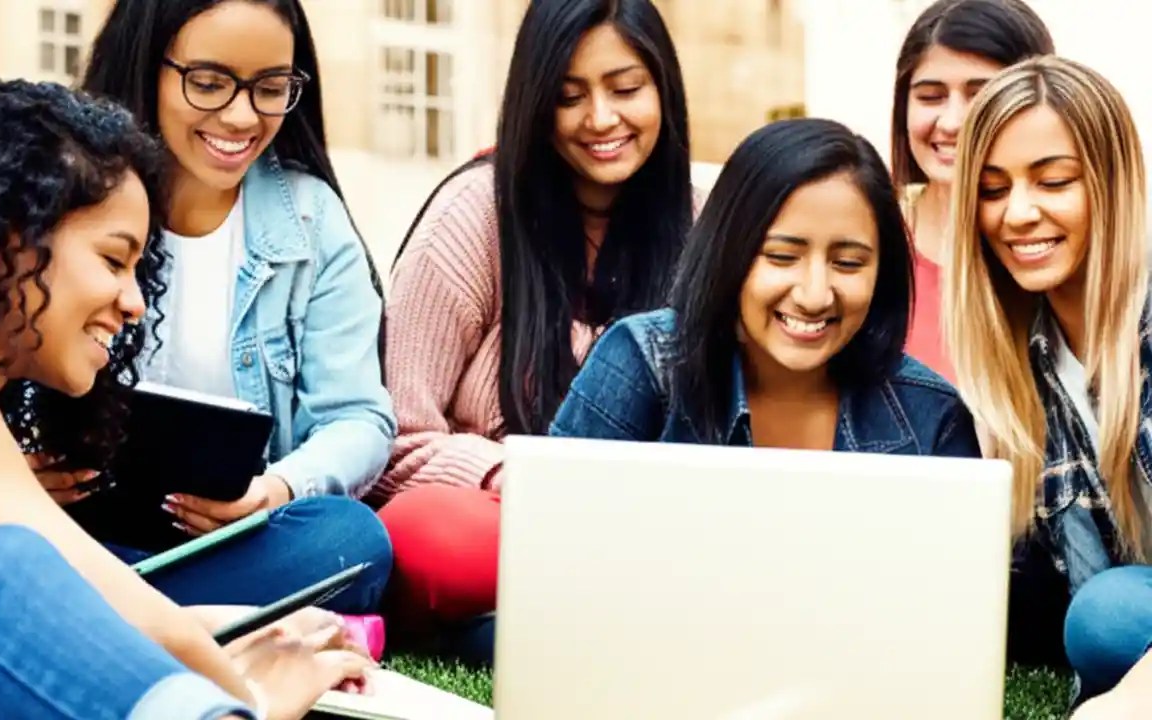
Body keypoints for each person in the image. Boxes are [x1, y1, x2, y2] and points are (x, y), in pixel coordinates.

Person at [0, 78, 372, 719]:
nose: (136, 303)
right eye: (114, 261)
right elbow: (23, 585)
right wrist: (247, 694)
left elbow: (63, 610)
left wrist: (220, 629)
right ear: (6, 248)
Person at [373, 0, 696, 665]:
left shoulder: (701, 228)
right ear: (533, 102)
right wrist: (518, 477)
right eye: (568, 96)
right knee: (425, 534)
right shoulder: (473, 218)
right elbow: (395, 443)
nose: (600, 119)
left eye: (626, 88)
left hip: (641, 528)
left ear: (664, 89)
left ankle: (543, 625)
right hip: (501, 521)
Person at [77, 0, 393, 611]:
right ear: (148, 66)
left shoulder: (312, 220)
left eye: (271, 87)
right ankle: (174, 617)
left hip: (232, 544)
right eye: (210, 82)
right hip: (81, 529)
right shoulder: (72, 198)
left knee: (352, 541)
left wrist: (271, 491)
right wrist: (22, 466)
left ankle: (108, 612)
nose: (242, 115)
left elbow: (358, 419)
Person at [551, 117, 979, 462]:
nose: (814, 295)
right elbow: (553, 539)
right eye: (781, 257)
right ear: (729, 252)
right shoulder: (641, 364)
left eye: (848, 263)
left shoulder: (931, 415)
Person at [941, 55, 1152, 715]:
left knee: (1109, 616)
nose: (1018, 214)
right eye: (994, 189)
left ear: (1112, 184)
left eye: (1053, 181)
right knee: (1105, 616)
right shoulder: (1021, 358)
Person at [889, 0, 1053, 382]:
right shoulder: (868, 239)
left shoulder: (1058, 249)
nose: (952, 122)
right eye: (930, 96)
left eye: (980, 95)